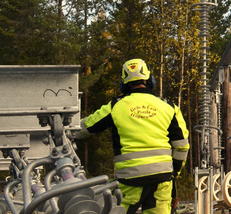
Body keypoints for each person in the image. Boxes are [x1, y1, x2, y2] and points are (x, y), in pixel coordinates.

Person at [78, 59, 189, 214]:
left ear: (124, 83)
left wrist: (62, 128)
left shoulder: (116, 106)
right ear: (150, 80)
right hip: (162, 180)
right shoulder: (169, 107)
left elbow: (84, 128)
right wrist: (174, 172)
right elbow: (182, 146)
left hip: (129, 181)